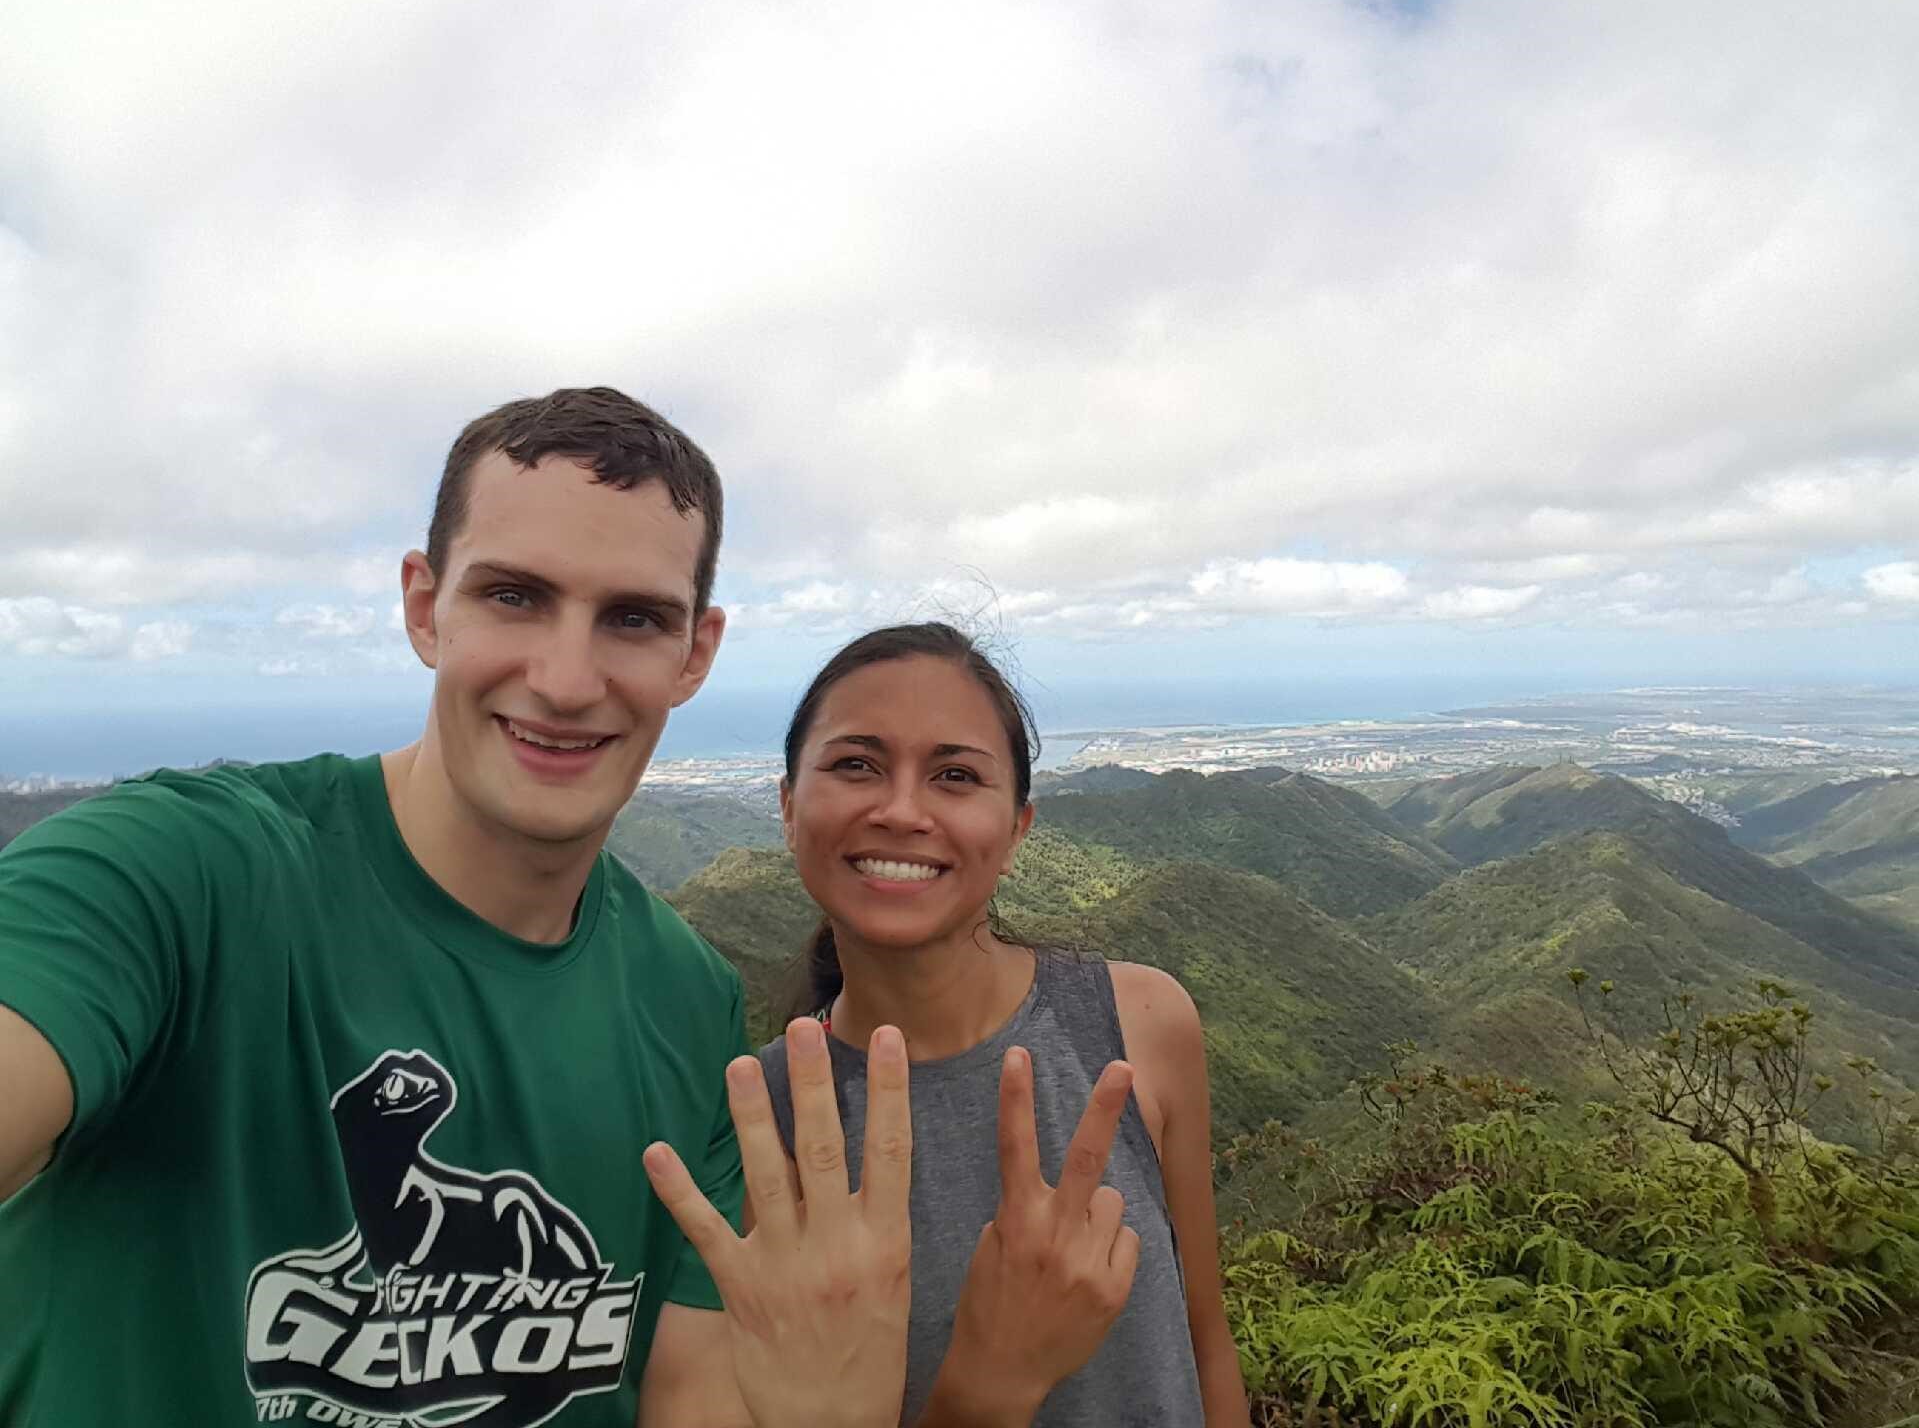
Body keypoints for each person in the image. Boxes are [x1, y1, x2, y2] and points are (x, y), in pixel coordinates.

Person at [0, 388, 918, 1427]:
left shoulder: (686, 1001)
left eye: (632, 618)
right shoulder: (181, 876)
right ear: (424, 606)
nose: (565, 681)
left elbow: (687, 1394)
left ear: (694, 654)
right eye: (514, 596)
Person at [759, 622, 1253, 1426]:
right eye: (855, 765)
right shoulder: (758, 1122)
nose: (901, 809)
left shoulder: (1137, 1025)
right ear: (787, 806)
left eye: (954, 775)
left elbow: (1206, 1344)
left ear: (1017, 829)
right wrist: (990, 1383)